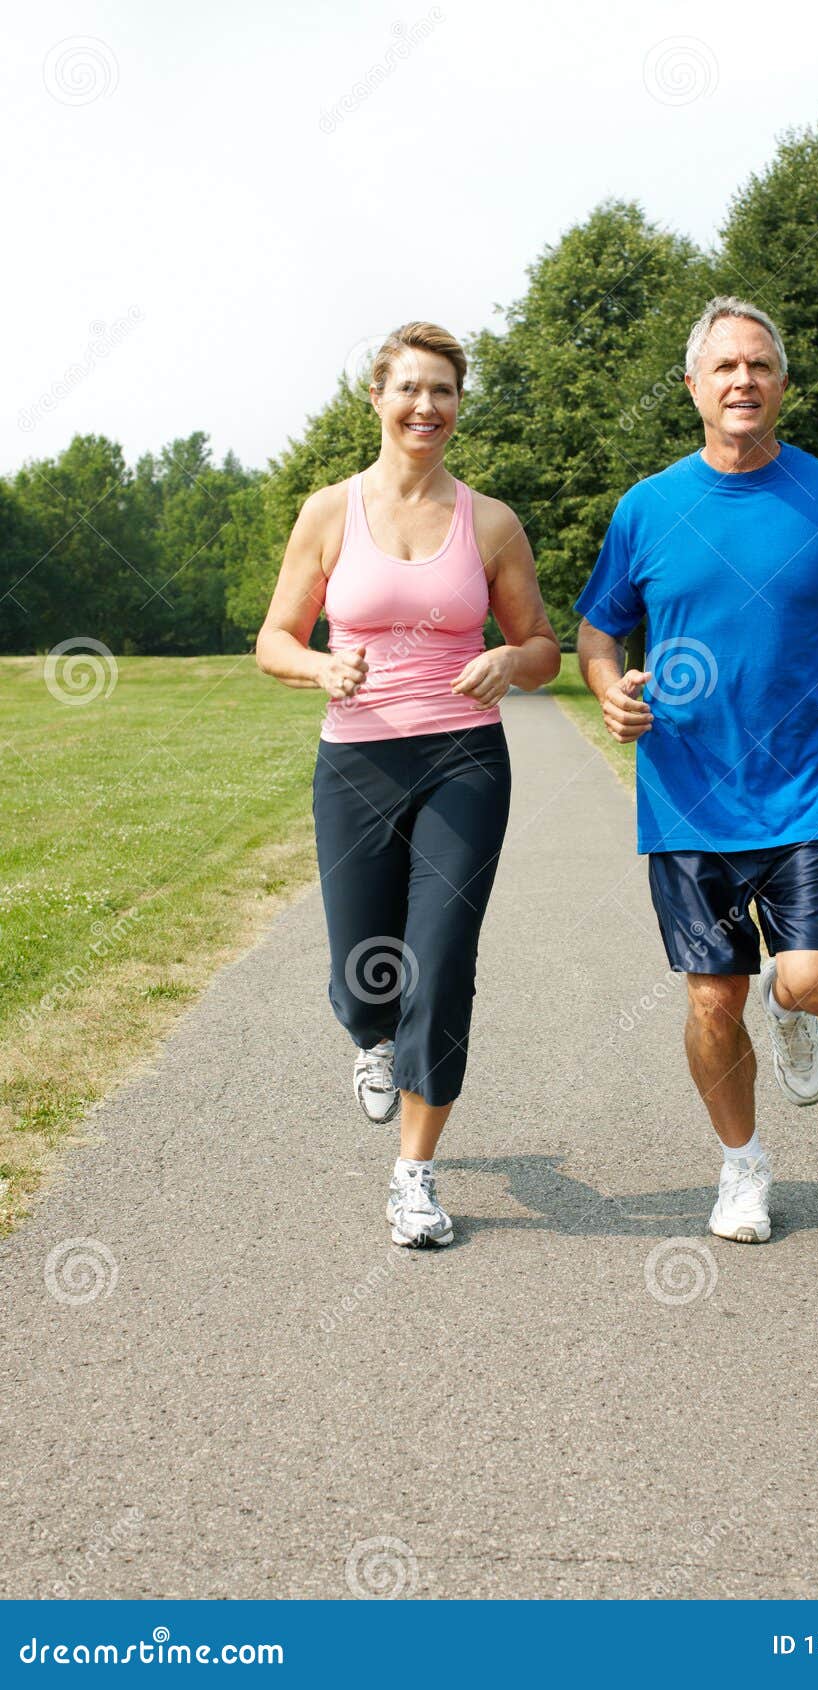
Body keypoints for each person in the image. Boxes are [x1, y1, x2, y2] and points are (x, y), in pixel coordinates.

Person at [575, 296, 818, 1244]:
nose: (742, 382)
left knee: (813, 982)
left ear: (783, 386)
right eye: (723, 367)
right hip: (687, 794)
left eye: (758, 366)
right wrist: (609, 689)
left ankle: (791, 1008)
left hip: (805, 783)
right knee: (710, 996)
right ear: (692, 386)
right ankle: (741, 1166)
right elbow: (599, 629)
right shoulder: (648, 508)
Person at [256, 321, 560, 1248]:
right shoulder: (327, 512)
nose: (426, 407)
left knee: (443, 959)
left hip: (464, 761)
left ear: (459, 406)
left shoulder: (491, 521)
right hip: (355, 762)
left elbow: (545, 649)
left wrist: (507, 660)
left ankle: (414, 1178)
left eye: (444, 391)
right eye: (410, 389)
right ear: (378, 399)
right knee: (363, 967)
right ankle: (370, 1039)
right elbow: (273, 639)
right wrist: (319, 670)